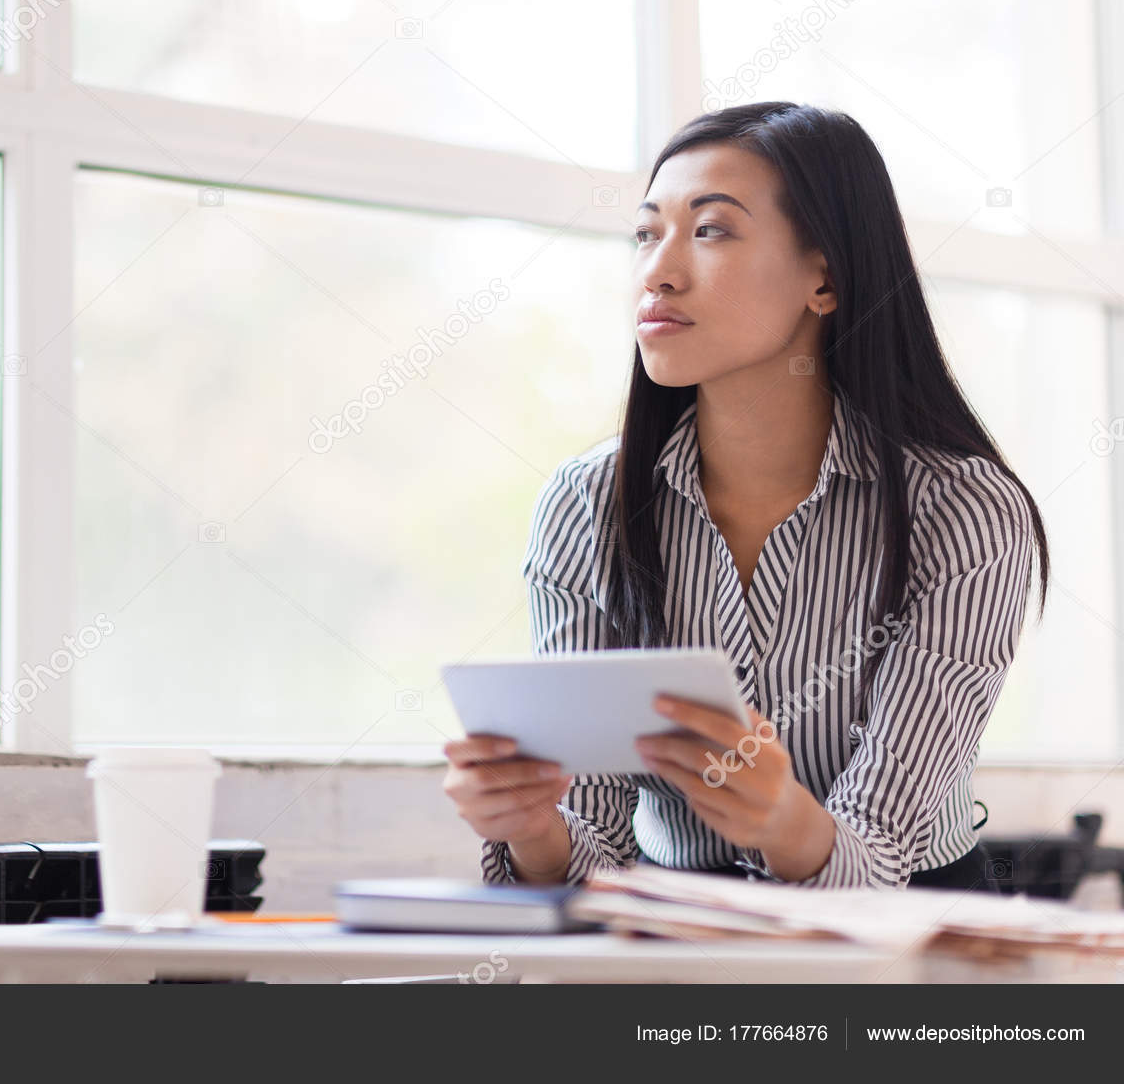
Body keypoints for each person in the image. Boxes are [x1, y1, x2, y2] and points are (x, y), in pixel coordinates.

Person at [442, 101, 1049, 891]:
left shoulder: (963, 511)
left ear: (824, 277)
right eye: (646, 232)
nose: (658, 269)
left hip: (904, 942)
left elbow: (882, 855)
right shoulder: (586, 503)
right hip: (681, 938)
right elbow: (593, 848)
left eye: (711, 230)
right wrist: (532, 828)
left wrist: (782, 820)